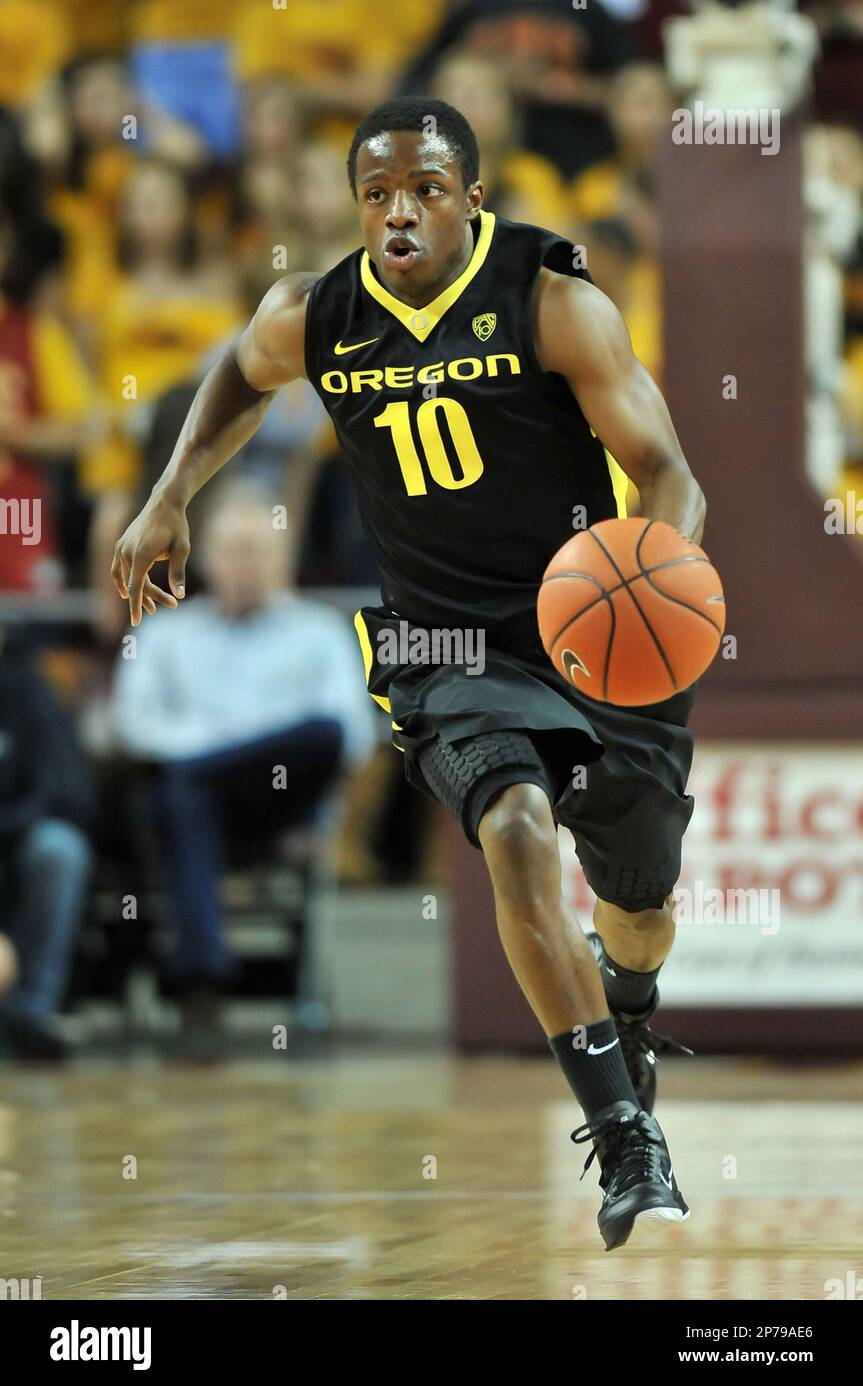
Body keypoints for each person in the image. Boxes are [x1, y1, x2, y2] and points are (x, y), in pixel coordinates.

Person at [112, 97, 706, 1251]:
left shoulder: (551, 299)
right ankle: (624, 1135)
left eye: (425, 190)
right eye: (376, 194)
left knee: (639, 903)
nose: (398, 213)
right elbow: (236, 376)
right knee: (517, 829)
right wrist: (168, 494)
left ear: (470, 199)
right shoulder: (318, 313)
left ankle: (625, 1004)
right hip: (446, 650)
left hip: (591, 625)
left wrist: (654, 570)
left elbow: (665, 469)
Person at [111, 486, 376, 1051]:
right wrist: (222, 755)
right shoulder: (164, 633)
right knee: (181, 793)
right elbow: (131, 724)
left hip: (281, 808)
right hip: (193, 815)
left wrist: (213, 751)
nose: (246, 566)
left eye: (258, 551)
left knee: (317, 733)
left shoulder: (319, 632)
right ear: (205, 559)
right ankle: (202, 984)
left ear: (282, 560)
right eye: (233, 551)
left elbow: (349, 734)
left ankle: (197, 988)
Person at [0, 626, 94, 1060]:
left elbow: (64, 788)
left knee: (60, 848)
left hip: (15, 839)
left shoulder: (27, 688)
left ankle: (32, 1012)